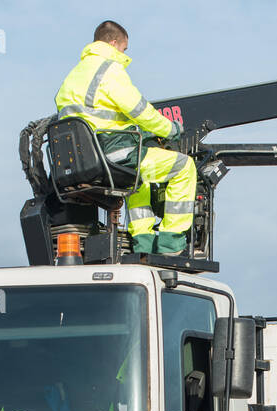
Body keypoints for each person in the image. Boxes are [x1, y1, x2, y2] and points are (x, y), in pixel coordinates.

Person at [54, 20, 197, 256]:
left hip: (85, 160)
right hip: (112, 152)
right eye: (124, 49)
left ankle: (144, 242)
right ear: (113, 43)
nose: (124, 54)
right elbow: (141, 111)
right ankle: (172, 243)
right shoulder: (109, 71)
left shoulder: (73, 76)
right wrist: (170, 129)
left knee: (137, 179)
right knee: (185, 167)